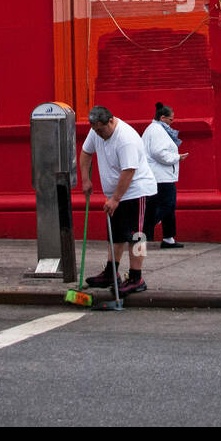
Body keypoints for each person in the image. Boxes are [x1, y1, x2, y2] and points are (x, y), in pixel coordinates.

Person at [78, 105, 158, 297]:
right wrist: (86, 179)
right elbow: (86, 152)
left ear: (111, 121)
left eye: (101, 130)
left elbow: (129, 170)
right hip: (117, 192)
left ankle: (136, 278)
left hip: (137, 191)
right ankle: (110, 272)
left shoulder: (125, 139)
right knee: (115, 233)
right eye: (95, 130)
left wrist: (115, 199)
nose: (99, 134)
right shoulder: (95, 131)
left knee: (136, 236)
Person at [142, 102, 188, 249]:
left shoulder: (156, 129)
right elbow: (159, 152)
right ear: (163, 118)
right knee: (165, 206)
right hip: (161, 176)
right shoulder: (157, 131)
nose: (172, 122)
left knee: (163, 206)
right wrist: (177, 157)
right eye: (171, 119)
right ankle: (143, 232)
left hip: (161, 175)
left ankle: (168, 238)